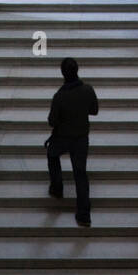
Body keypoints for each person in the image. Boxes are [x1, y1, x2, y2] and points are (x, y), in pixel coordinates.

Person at [45, 56, 98, 227]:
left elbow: (52, 121)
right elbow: (94, 110)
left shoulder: (59, 96)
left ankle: (57, 187)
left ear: (63, 73)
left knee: (52, 154)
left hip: (62, 137)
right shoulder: (88, 89)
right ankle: (84, 215)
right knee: (80, 174)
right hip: (81, 137)